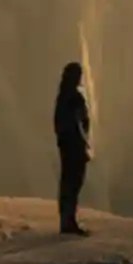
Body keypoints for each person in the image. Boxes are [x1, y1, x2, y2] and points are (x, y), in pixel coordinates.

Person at [53, 62, 92, 236]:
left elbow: (59, 123)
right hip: (75, 145)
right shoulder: (75, 97)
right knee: (74, 183)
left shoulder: (62, 96)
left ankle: (66, 220)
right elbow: (79, 124)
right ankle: (69, 221)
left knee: (67, 183)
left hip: (66, 145)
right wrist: (84, 146)